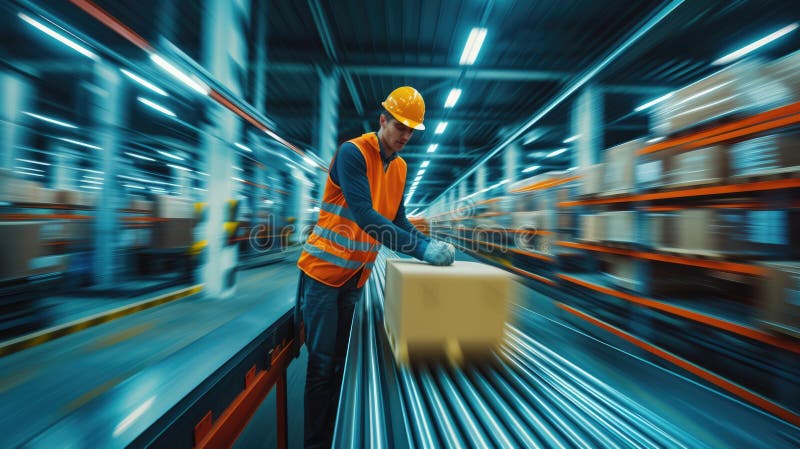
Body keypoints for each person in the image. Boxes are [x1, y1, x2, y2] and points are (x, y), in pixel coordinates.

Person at [296, 86, 455, 448]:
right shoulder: (353, 153)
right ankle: (316, 444)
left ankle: (336, 431)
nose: (405, 136)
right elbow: (367, 216)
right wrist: (420, 251)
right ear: (382, 120)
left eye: (411, 130)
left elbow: (397, 219)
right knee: (321, 365)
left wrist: (428, 243)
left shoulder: (400, 167)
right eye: (400, 126)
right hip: (322, 275)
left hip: (354, 278)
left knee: (340, 360)